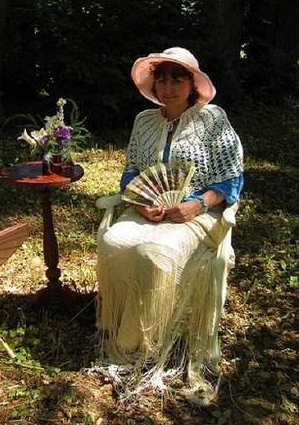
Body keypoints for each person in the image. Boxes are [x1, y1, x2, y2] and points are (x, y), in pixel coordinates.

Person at [96, 47, 244, 396]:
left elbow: (232, 179)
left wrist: (197, 204)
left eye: (177, 79)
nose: (168, 87)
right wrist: (142, 204)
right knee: (112, 241)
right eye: (161, 80)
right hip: (149, 211)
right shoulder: (144, 122)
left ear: (192, 84)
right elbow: (131, 174)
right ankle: (120, 323)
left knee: (152, 253)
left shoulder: (213, 120)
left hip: (199, 215)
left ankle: (138, 345)